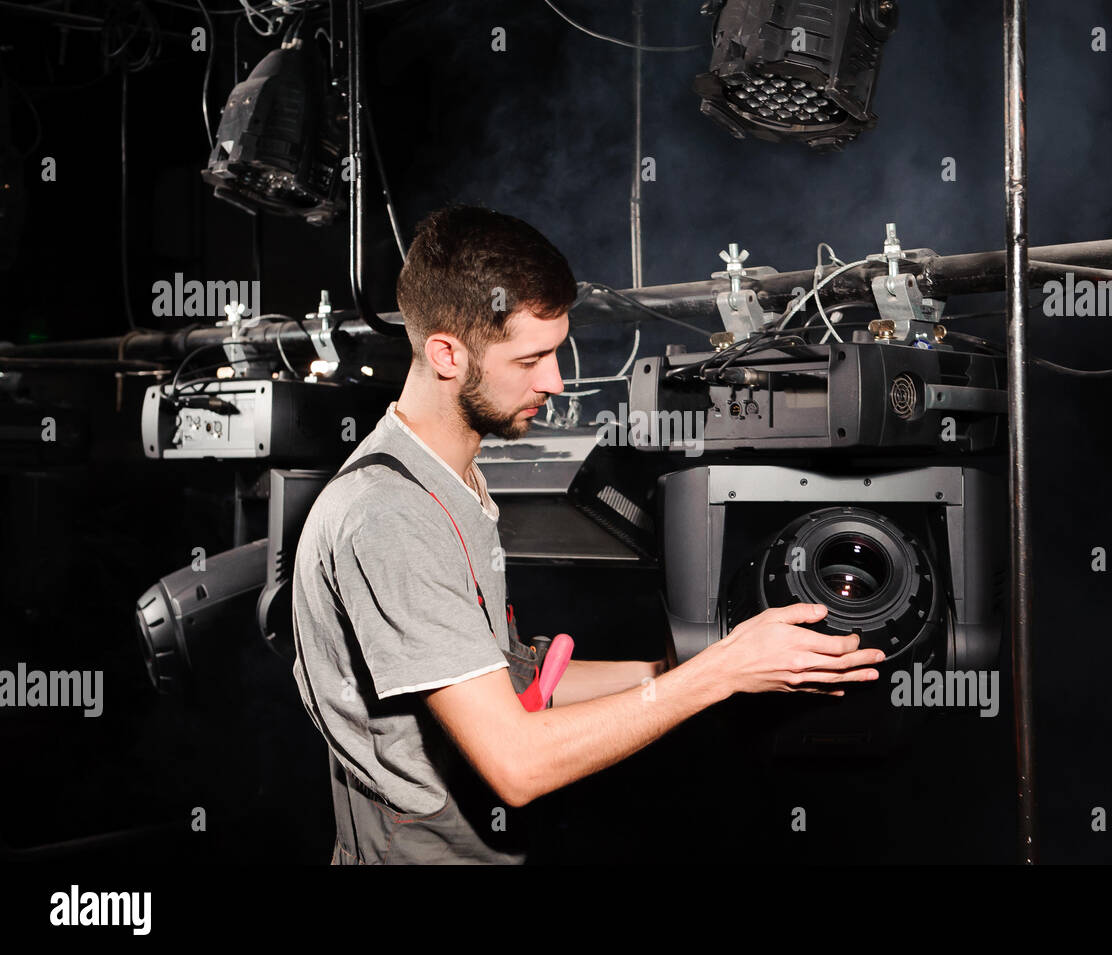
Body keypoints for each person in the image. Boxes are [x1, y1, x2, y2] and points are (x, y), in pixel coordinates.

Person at [291, 204, 884, 864]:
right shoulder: (391, 516)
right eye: (532, 357)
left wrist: (688, 668)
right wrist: (713, 675)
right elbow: (517, 764)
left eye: (557, 350)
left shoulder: (449, 483)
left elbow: (509, 682)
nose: (555, 380)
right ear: (445, 353)